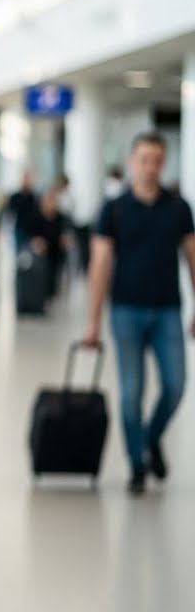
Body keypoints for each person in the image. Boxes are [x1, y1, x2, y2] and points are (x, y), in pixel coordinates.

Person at [83, 132, 195, 496]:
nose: (150, 167)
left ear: (164, 164)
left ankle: (150, 438)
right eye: (144, 159)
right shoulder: (114, 209)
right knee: (131, 393)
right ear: (132, 162)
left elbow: (192, 258)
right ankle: (136, 463)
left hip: (168, 311)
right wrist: (93, 321)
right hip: (126, 311)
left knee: (176, 386)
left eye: (157, 161)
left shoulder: (179, 208)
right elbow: (100, 266)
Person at [25, 189, 73, 303]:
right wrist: (35, 241)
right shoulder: (36, 216)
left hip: (56, 250)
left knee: (55, 273)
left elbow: (66, 232)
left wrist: (66, 240)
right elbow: (30, 234)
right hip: (42, 252)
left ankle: (52, 293)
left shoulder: (61, 217)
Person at [1, 171, 38, 251]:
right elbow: (9, 213)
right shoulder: (15, 197)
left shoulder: (34, 197)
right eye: (25, 178)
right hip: (19, 229)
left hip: (32, 231)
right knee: (19, 253)